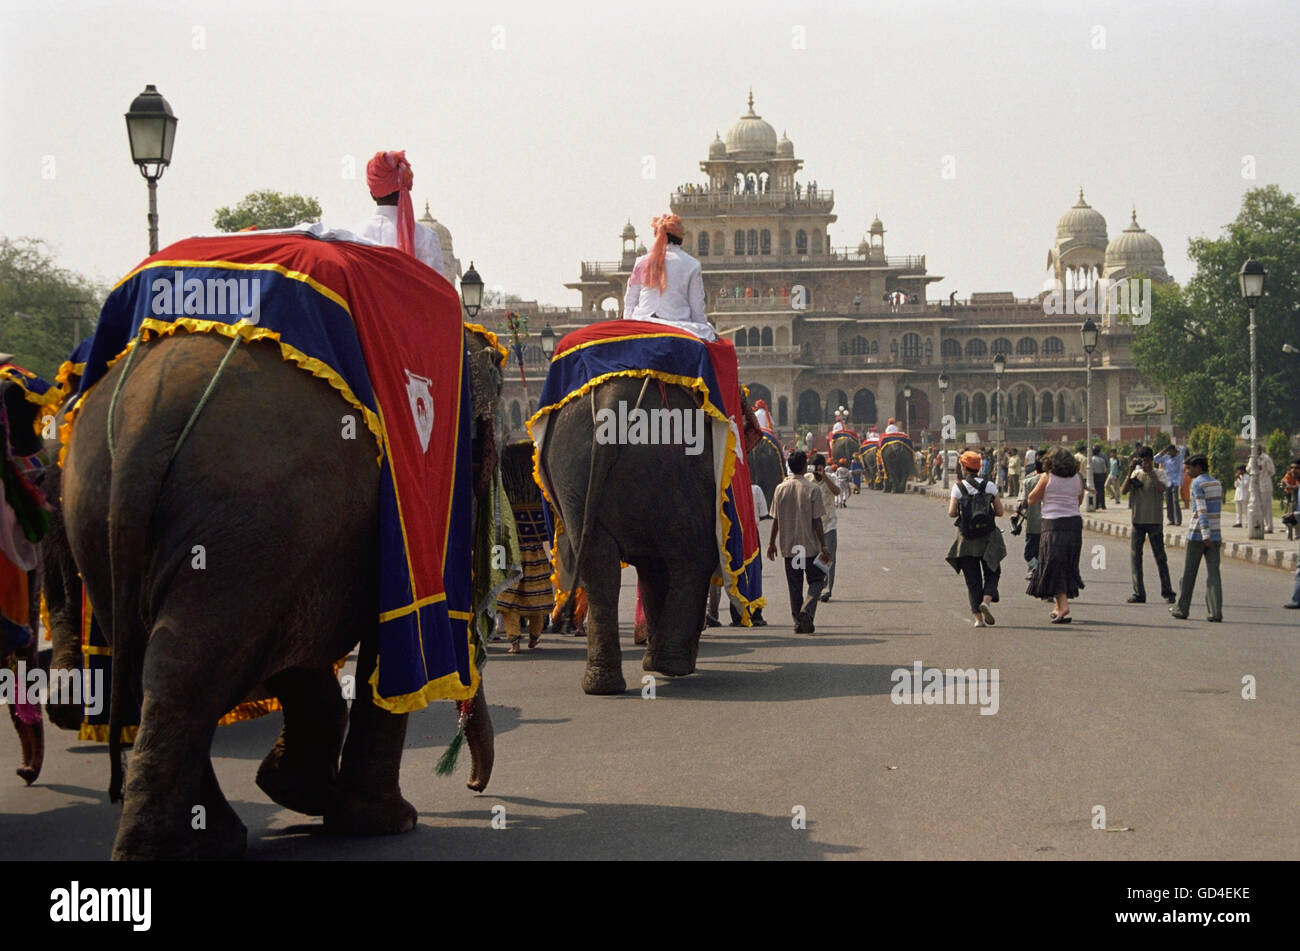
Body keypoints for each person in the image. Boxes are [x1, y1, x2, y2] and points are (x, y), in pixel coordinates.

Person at [768, 451, 831, 633]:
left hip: (791, 547)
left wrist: (772, 543)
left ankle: (798, 622)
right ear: (805, 466)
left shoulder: (780, 488)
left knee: (795, 586)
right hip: (809, 546)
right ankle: (807, 610)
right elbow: (816, 520)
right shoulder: (812, 489)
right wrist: (824, 544)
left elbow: (776, 520)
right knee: (818, 579)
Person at [622, 213, 712, 340]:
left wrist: (626, 329)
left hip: (642, 323)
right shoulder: (692, 265)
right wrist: (704, 331)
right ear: (680, 237)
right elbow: (697, 307)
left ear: (657, 234)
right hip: (679, 327)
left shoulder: (642, 261)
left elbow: (630, 301)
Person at [354, 150, 445, 274]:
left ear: (372, 194)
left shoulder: (356, 235)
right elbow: (436, 288)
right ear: (407, 188)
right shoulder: (425, 238)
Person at [946, 450, 1006, 627]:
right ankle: (986, 601)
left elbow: (951, 513)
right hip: (988, 538)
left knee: (973, 580)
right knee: (993, 571)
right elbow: (1000, 511)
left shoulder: (958, 487)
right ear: (979, 467)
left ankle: (978, 619)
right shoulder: (989, 486)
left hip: (966, 540)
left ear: (964, 468)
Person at [1026, 446, 1086, 623]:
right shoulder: (1078, 478)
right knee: (1067, 564)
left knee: (1052, 564)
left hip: (1053, 525)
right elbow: (1079, 500)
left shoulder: (1047, 477)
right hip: (1074, 524)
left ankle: (1064, 606)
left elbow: (1032, 499)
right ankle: (1058, 606)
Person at [1170, 454, 1223, 621]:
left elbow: (1201, 510)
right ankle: (1215, 612)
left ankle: (1181, 609)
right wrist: (1211, 534)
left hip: (1197, 535)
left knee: (1188, 574)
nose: (1187, 472)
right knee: (1214, 575)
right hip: (1216, 534)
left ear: (1198, 468)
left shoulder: (1197, 483)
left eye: (1189, 469)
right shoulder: (1217, 483)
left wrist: (1205, 534)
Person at [1122, 446, 1176, 604]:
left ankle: (1167, 591)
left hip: (1154, 521)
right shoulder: (1136, 474)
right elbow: (1124, 490)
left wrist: (1151, 472)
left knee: (1160, 558)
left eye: (1147, 460)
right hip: (1137, 521)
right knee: (1135, 559)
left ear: (1152, 460)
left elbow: (1161, 489)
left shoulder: (1160, 473)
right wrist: (1130, 471)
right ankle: (1139, 592)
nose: (1145, 463)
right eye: (1142, 460)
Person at [805, 454, 841, 600]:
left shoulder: (831, 478)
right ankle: (817, 586)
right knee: (813, 559)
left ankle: (827, 589)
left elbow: (837, 492)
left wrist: (824, 477)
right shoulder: (807, 479)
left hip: (828, 524)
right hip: (812, 525)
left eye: (819, 468)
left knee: (828, 557)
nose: (816, 472)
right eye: (814, 468)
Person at [1018, 457, 1044, 580]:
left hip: (1033, 523)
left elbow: (1023, 503)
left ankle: (1034, 568)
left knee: (1029, 552)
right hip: (1051, 524)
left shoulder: (1029, 481)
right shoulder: (1054, 481)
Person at [1160, 444, 1185, 526]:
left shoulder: (1179, 458)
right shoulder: (1166, 458)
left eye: (1171, 451)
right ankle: (1171, 519)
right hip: (1168, 481)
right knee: (1168, 501)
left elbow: (1183, 448)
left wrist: (1177, 449)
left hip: (1176, 482)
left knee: (1175, 501)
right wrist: (1162, 453)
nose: (1169, 452)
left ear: (1174, 451)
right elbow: (1156, 459)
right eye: (1168, 451)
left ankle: (1178, 520)